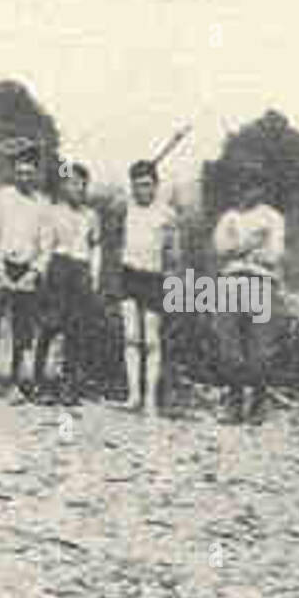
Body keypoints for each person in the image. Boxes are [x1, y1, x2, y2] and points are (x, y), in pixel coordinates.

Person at [0, 141, 56, 403]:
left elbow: (46, 244)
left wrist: (34, 271)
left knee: (22, 330)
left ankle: (15, 383)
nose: (24, 177)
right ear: (13, 172)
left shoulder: (43, 204)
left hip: (26, 272)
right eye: (20, 172)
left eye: (29, 172)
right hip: (0, 268)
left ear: (36, 174)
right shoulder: (1, 197)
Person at [211, 163, 285, 424]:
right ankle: (234, 399)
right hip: (230, 283)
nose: (244, 192)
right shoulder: (228, 217)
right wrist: (252, 243)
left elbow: (273, 255)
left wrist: (238, 249)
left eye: (251, 187)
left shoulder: (273, 217)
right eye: (240, 187)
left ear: (261, 189)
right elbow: (220, 249)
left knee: (262, 350)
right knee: (229, 347)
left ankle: (260, 399)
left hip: (261, 284)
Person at [34, 161, 101, 405]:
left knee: (76, 330)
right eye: (71, 183)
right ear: (64, 186)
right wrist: (42, 273)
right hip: (58, 268)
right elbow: (46, 246)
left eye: (81, 184)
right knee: (50, 327)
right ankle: (40, 382)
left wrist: (93, 275)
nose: (76, 188)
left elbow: (95, 246)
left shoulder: (91, 216)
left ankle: (69, 386)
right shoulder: (53, 212)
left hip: (81, 270)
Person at [118, 159, 178, 415]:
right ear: (132, 187)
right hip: (129, 275)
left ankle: (151, 398)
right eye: (138, 185)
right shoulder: (126, 208)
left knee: (152, 341)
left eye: (148, 185)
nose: (144, 190)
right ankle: (133, 395)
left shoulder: (167, 213)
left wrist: (172, 279)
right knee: (131, 337)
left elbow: (174, 252)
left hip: (154, 278)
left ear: (156, 185)